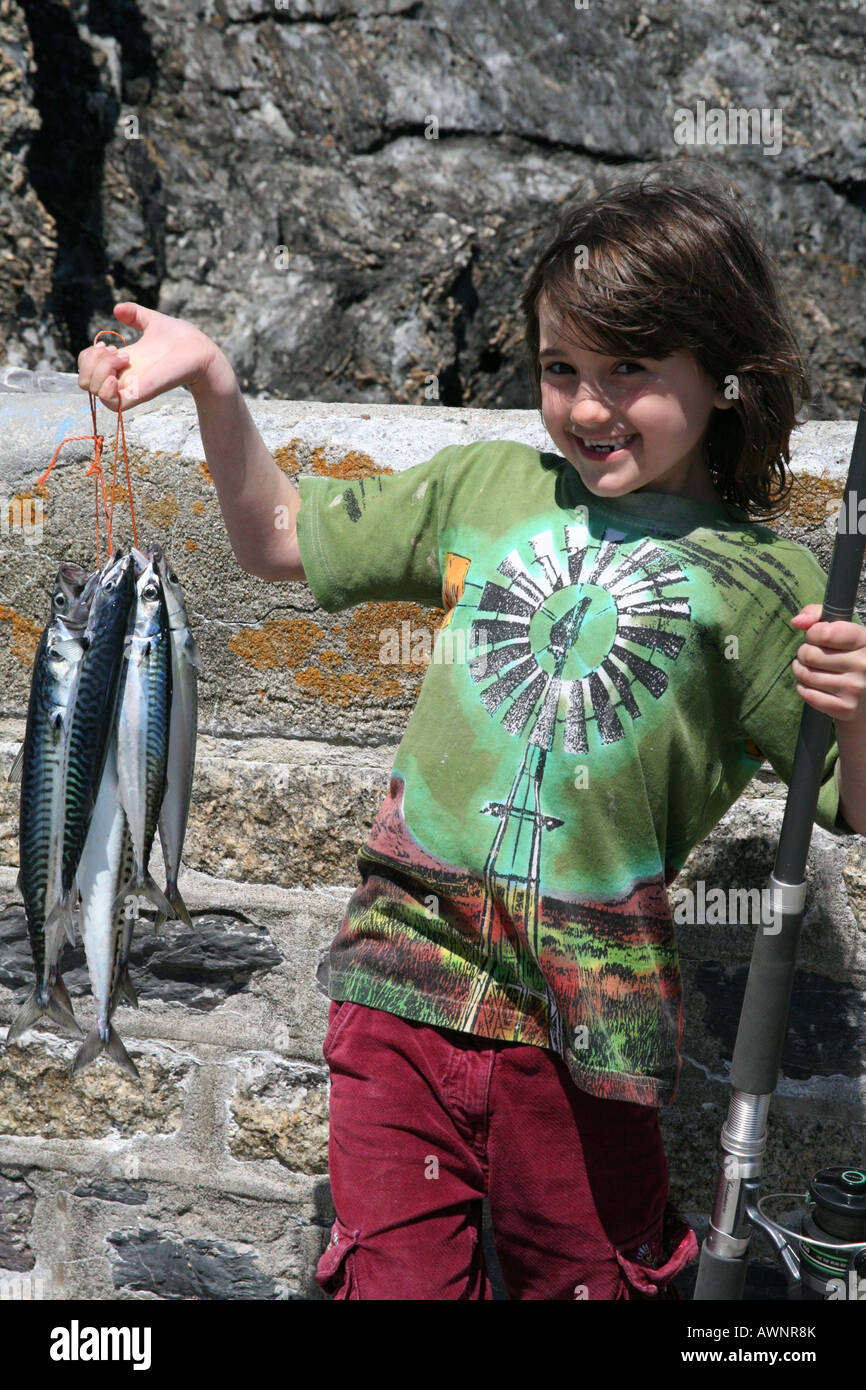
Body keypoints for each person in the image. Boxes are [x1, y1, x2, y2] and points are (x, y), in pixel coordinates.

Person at [77, 172, 866, 1301]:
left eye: (629, 368)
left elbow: (848, 798)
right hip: (400, 985)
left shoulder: (765, 584)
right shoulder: (485, 484)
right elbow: (281, 540)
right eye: (560, 370)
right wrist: (211, 379)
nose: (589, 407)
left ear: (726, 375)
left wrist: (856, 704)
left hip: (586, 1036)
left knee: (593, 1281)